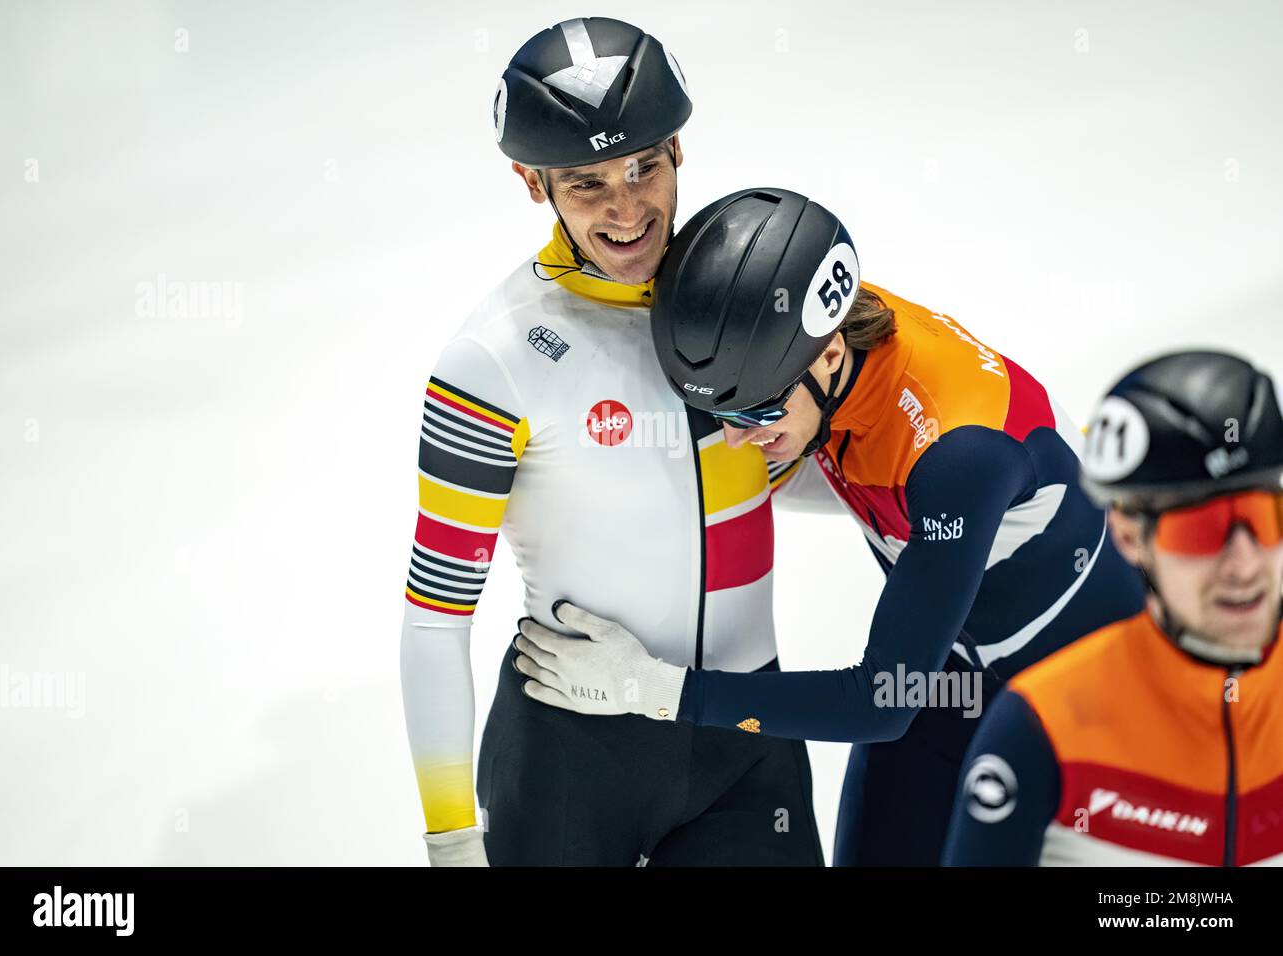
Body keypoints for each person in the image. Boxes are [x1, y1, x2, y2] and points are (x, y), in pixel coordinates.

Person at [512, 187, 1148, 865]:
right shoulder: (803, 330)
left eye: (754, 413)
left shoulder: (959, 454)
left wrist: (656, 689)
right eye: (718, 415)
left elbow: (878, 702)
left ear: (831, 357)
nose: (734, 440)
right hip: (953, 679)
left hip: (1097, 714)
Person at [402, 21, 833, 867]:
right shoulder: (495, 359)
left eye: (644, 166)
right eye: (587, 182)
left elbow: (785, 471)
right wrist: (452, 837)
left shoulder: (746, 299)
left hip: (749, 736)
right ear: (532, 183)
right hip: (574, 762)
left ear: (678, 150)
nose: (626, 207)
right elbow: (433, 620)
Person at [943, 350, 1283, 866]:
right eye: (1200, 531)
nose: (1243, 565)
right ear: (1129, 536)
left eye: (1264, 518)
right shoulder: (1042, 723)